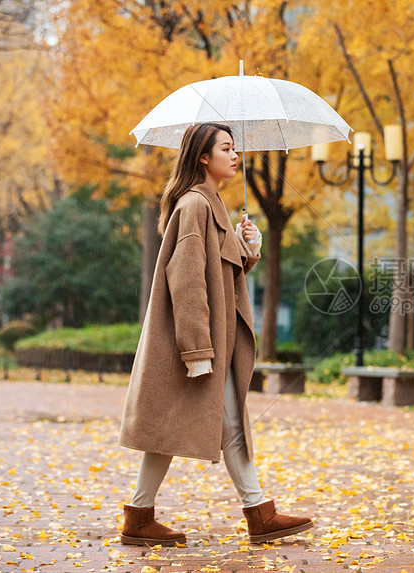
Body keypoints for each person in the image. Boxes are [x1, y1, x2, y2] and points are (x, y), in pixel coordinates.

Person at [118, 122, 313, 546]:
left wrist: (251, 247)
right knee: (224, 423)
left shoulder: (213, 205)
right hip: (195, 344)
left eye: (234, 147)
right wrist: (197, 350)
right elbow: (186, 281)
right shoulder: (195, 205)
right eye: (226, 148)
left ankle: (141, 515)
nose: (235, 154)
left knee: (193, 424)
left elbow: (221, 276)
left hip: (209, 341)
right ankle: (258, 513)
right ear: (203, 157)